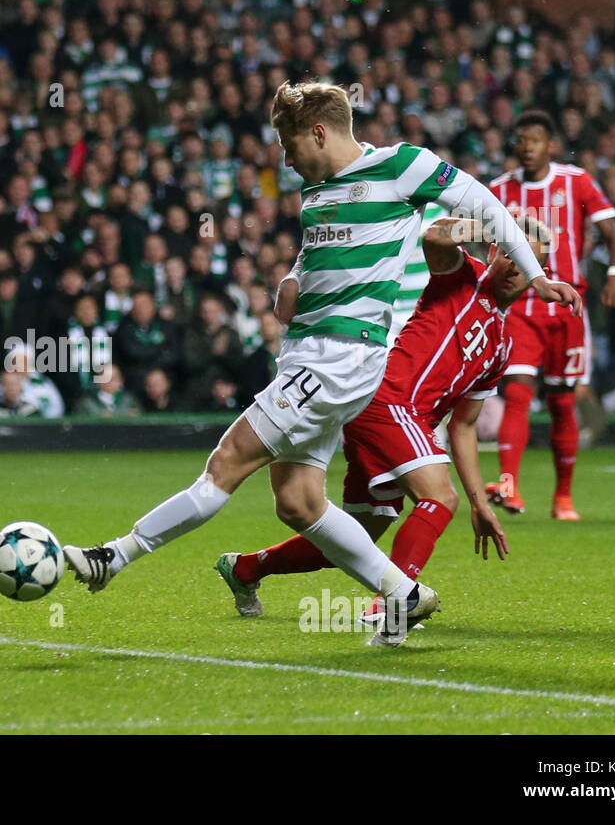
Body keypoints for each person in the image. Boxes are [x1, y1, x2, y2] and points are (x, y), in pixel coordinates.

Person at [62, 82, 579, 646]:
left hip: (337, 361)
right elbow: (310, 259)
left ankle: (113, 556)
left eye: (288, 145)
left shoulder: (402, 166)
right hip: (310, 357)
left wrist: (537, 277)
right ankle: (399, 592)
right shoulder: (316, 195)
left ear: (319, 132)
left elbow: (492, 210)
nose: (284, 160)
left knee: (226, 463)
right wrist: (290, 282)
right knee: (299, 502)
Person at [216, 215, 547, 622]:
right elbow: (435, 236)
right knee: (440, 497)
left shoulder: (502, 346)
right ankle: (396, 599)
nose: (516, 266)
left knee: (357, 537)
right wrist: (492, 223)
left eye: (530, 259)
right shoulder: (465, 276)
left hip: (401, 421)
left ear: (539, 274)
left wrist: (481, 504)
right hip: (388, 399)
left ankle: (247, 568)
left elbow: (463, 426)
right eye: (512, 253)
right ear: (496, 252)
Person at [486, 110, 615, 520]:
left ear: (549, 144)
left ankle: (562, 497)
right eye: (520, 140)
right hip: (519, 307)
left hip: (567, 307)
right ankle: (509, 485)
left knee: (563, 403)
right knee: (516, 392)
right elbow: (480, 243)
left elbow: (613, 236)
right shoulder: (499, 189)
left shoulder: (576, 180)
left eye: (535, 140)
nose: (527, 148)